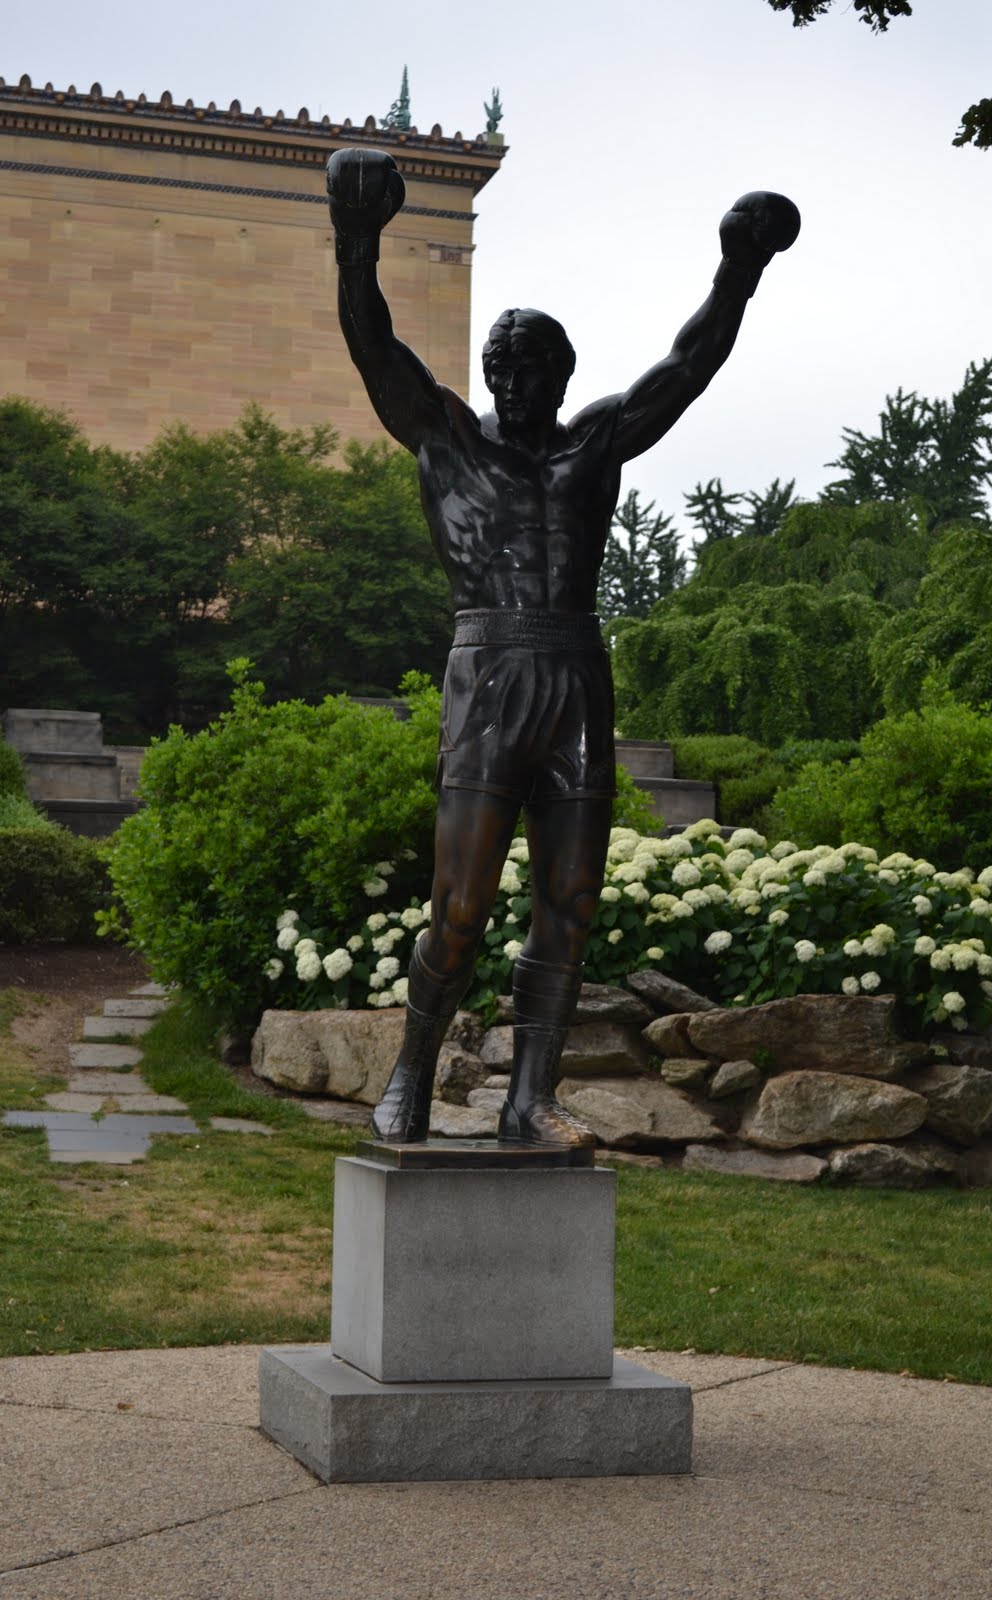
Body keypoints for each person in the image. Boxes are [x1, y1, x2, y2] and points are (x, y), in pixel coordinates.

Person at [326, 148, 799, 1147]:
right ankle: (409, 1074)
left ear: (562, 373)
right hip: (488, 670)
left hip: (576, 671)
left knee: (570, 899)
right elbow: (375, 350)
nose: (511, 379)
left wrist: (737, 272)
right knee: (457, 906)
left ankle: (528, 1100)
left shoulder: (594, 444)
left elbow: (687, 367)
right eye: (499, 366)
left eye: (531, 364)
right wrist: (356, 243)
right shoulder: (446, 440)